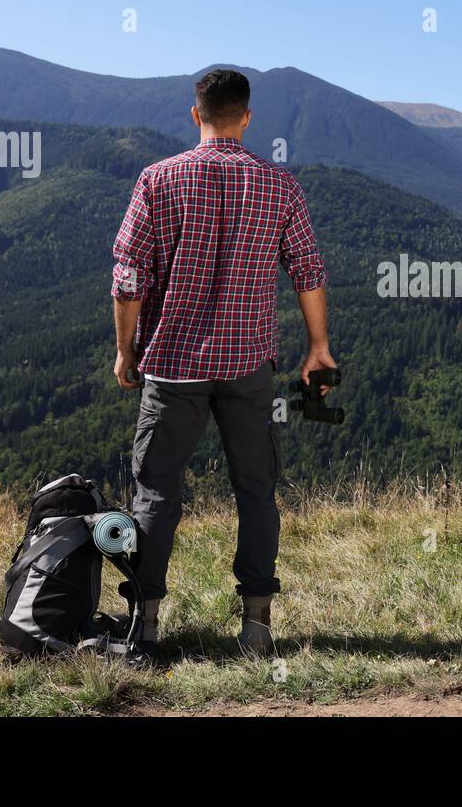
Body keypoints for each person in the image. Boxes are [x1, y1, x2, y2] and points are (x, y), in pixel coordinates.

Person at [110, 69, 334, 662]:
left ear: (195, 115)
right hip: (246, 367)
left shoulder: (157, 181)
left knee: (156, 491)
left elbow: (128, 278)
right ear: (248, 117)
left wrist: (126, 350)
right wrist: (318, 347)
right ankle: (257, 626)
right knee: (256, 491)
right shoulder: (280, 187)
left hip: (173, 364)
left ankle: (146, 626)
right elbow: (308, 272)